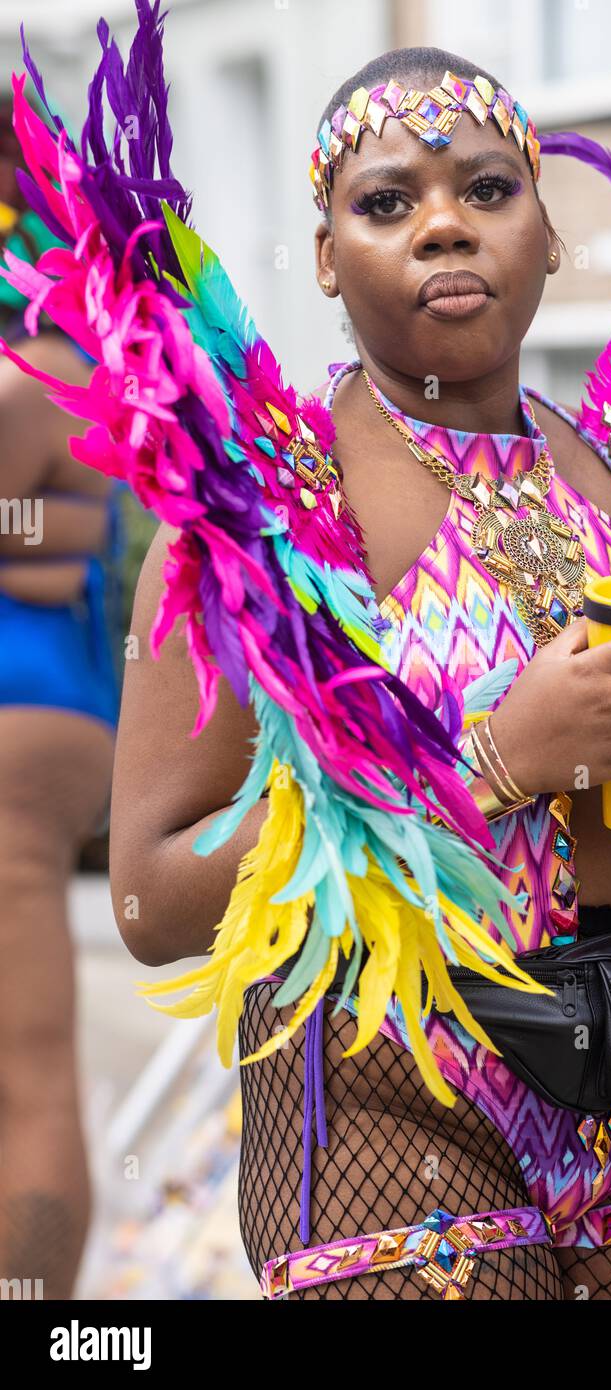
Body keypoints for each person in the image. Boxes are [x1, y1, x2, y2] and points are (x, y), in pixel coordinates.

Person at [4, 2, 611, 1302]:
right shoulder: (256, 508)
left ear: (547, 230)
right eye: (386, 202)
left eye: (486, 189)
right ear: (327, 257)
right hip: (386, 1107)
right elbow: (151, 901)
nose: (444, 225)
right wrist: (496, 755)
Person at [0, 96, 124, 1298]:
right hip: (56, 705)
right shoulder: (72, 360)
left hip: (20, 717)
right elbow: (59, 534)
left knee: (26, 1078)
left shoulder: (27, 374)